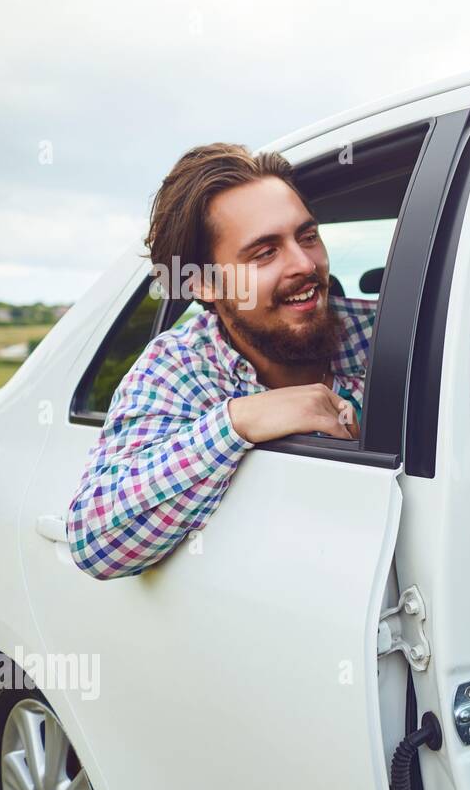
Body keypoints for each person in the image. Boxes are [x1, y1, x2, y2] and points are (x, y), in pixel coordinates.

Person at [67, 143, 369, 580]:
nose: (305, 264)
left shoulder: (392, 331)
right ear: (204, 284)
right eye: (265, 253)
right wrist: (238, 421)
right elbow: (95, 542)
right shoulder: (179, 367)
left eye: (307, 236)